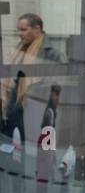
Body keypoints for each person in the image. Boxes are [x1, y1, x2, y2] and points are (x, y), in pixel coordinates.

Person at [1, 12, 63, 142]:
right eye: (19, 30)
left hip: (39, 113)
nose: (20, 33)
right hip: (17, 113)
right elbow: (14, 83)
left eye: (24, 29)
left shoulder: (53, 54)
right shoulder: (20, 51)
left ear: (37, 29)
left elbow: (57, 87)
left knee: (39, 154)